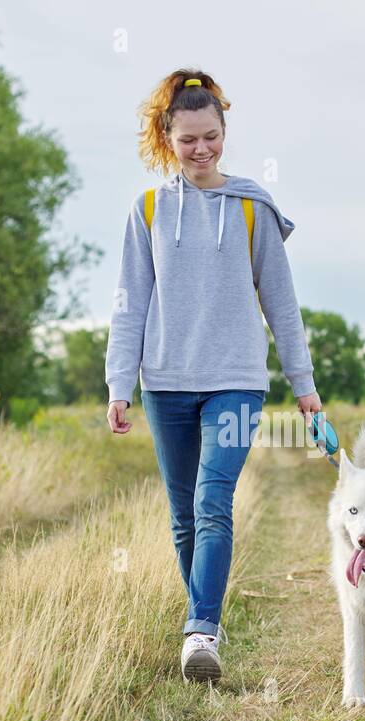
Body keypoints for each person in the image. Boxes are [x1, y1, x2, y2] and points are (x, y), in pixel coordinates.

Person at [105, 68, 322, 683]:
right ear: (167, 138)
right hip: (166, 382)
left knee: (212, 500)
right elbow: (130, 302)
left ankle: (200, 631)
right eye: (188, 140)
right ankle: (207, 621)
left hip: (235, 380)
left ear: (225, 130)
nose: (201, 150)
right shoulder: (147, 209)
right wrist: (120, 383)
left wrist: (303, 388)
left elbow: (282, 305)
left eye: (211, 137)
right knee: (182, 514)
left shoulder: (253, 208)